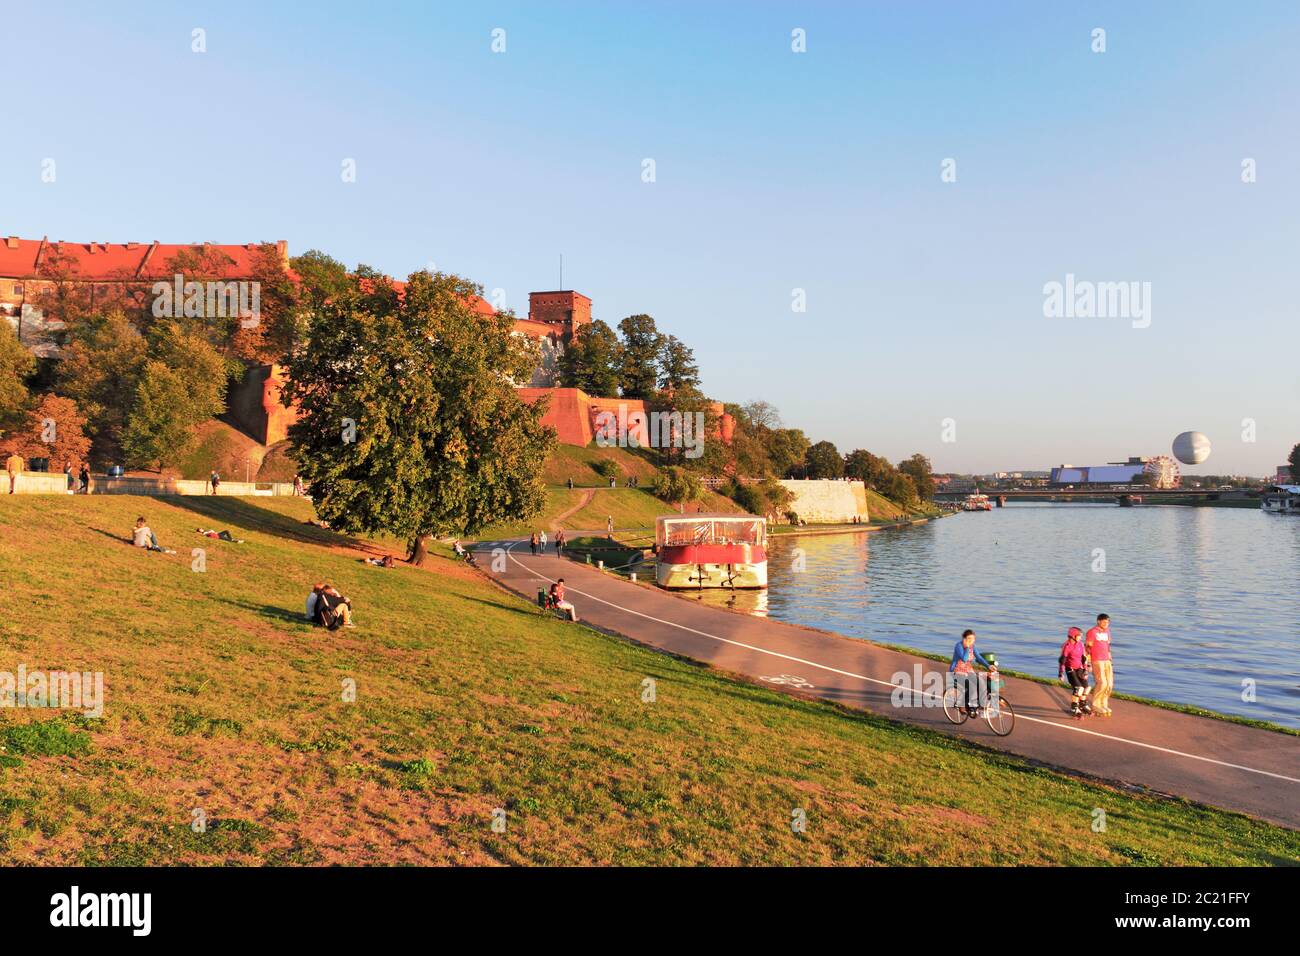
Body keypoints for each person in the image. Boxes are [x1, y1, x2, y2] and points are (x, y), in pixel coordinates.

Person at [948, 629, 991, 718]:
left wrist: (988, 666)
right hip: (957, 671)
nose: (971, 641)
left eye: (972, 639)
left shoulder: (973, 646)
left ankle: (980, 705)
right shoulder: (959, 646)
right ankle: (961, 704)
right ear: (964, 639)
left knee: (981, 683)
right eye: (969, 639)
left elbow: (979, 658)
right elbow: (964, 658)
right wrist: (967, 647)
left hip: (968, 670)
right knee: (971, 686)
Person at [1058, 626, 1093, 719]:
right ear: (1073, 636)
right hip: (1070, 670)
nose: (1081, 637)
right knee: (1079, 688)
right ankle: (1074, 708)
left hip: (1080, 668)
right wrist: (1061, 673)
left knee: (1087, 688)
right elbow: (1062, 661)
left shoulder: (1080, 644)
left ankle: (1083, 705)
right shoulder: (1067, 646)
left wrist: (1085, 669)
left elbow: (1083, 658)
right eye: (1079, 636)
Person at [1086, 613, 1115, 716]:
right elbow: (1088, 648)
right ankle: (1095, 705)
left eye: (1108, 622)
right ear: (1098, 621)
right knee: (1102, 682)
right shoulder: (1092, 632)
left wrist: (1110, 658)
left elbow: (1108, 646)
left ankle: (1104, 703)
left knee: (1109, 684)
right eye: (1104, 622)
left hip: (1106, 660)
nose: (1106, 624)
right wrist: (1088, 663)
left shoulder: (1107, 631)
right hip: (1096, 660)